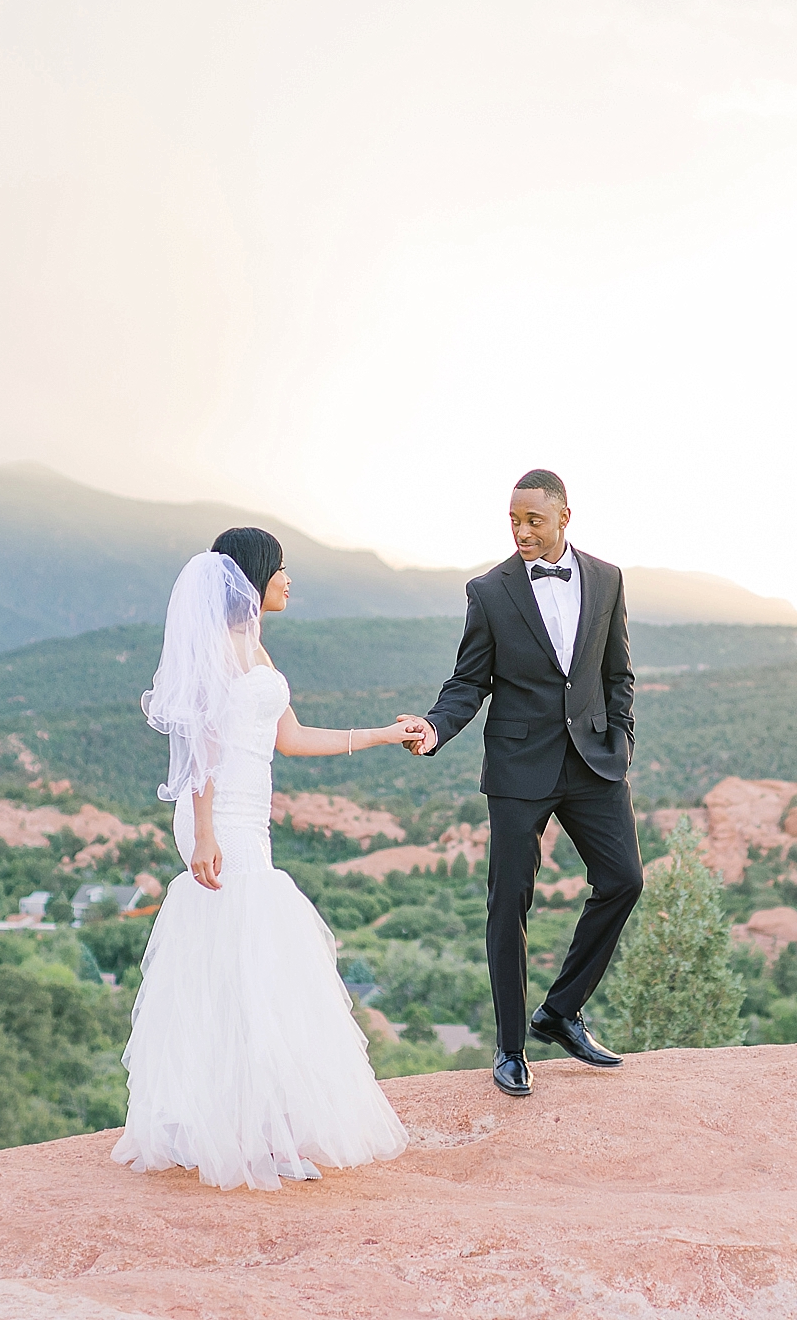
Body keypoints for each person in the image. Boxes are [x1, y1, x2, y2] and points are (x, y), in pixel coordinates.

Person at [113, 527, 418, 1190]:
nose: (289, 581)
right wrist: (201, 835)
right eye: (281, 570)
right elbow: (200, 750)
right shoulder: (213, 654)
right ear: (252, 577)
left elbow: (295, 737)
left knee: (247, 967)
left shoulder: (256, 646)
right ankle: (262, 1143)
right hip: (218, 820)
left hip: (249, 817)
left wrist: (386, 734)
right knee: (253, 971)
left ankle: (253, 1127)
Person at [398, 471, 643, 1097]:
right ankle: (509, 1049)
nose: (521, 530)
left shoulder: (608, 578)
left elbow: (618, 671)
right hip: (517, 767)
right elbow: (468, 681)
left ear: (565, 516)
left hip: (593, 762)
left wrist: (622, 737)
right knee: (509, 903)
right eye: (514, 519)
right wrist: (435, 726)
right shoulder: (489, 591)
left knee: (623, 880)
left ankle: (560, 1011)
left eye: (534, 519)